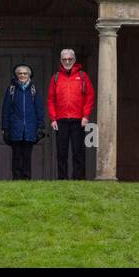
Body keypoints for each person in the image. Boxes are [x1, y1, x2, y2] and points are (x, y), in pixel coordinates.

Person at [47, 47, 95, 180]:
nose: (67, 61)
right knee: (61, 152)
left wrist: (86, 116)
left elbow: (90, 97)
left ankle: (78, 180)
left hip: (78, 120)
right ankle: (62, 180)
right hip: (61, 120)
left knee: (78, 152)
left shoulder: (83, 76)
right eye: (64, 59)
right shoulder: (56, 78)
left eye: (70, 59)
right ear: (61, 60)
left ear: (74, 60)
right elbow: (51, 100)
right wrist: (53, 118)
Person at [1, 63, 45, 180]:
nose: (22, 75)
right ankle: (16, 179)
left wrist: (40, 127)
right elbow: (5, 110)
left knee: (27, 156)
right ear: (16, 75)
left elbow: (39, 109)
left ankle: (26, 179)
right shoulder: (11, 90)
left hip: (30, 129)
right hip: (15, 128)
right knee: (16, 156)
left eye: (25, 73)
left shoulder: (34, 90)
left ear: (29, 75)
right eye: (20, 73)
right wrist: (5, 129)